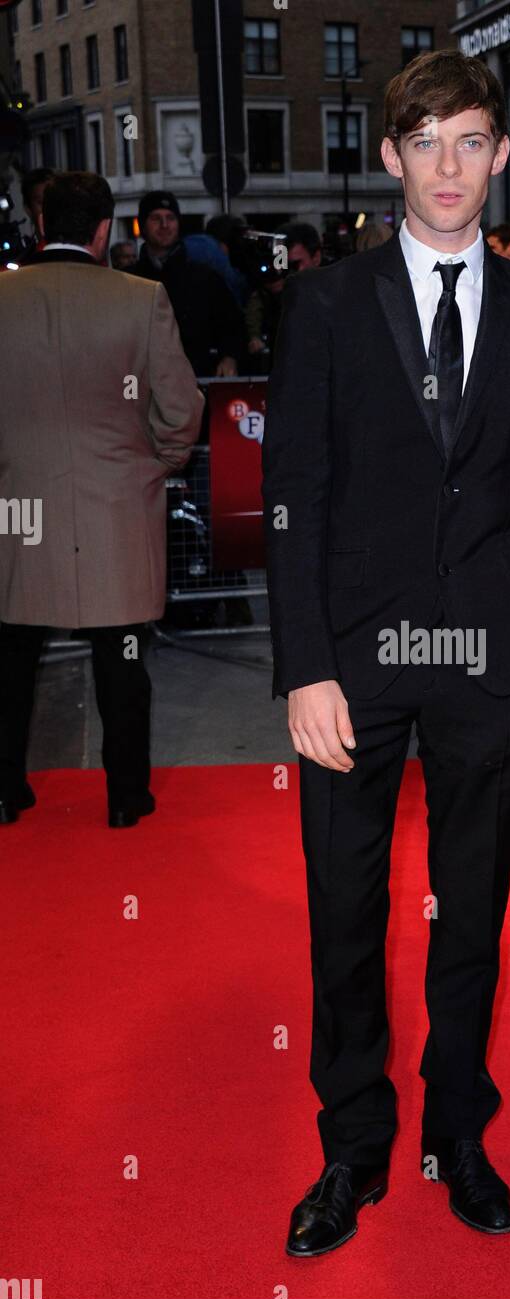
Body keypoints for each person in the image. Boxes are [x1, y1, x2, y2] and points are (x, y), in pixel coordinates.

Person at [262, 48, 510, 1257]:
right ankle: (353, 1144)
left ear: (501, 156)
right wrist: (303, 662)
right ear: (392, 156)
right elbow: (294, 489)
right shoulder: (329, 305)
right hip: (348, 668)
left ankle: (459, 1130)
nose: (448, 165)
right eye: (425, 141)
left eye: (471, 140)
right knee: (344, 909)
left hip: (492, 666)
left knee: (471, 918)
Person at [0, 172, 203, 826]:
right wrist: (154, 466)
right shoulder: (141, 300)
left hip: (17, 512)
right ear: (104, 230)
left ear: (39, 224)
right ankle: (125, 798)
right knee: (122, 661)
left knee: (11, 658)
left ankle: (6, 792)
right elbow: (181, 410)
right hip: (116, 507)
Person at [129, 190, 244, 377]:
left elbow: (232, 323)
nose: (164, 225)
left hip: (193, 381)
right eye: (156, 218)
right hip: (141, 384)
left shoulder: (205, 277)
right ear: (142, 225)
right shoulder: (129, 280)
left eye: (170, 218)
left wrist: (229, 356)